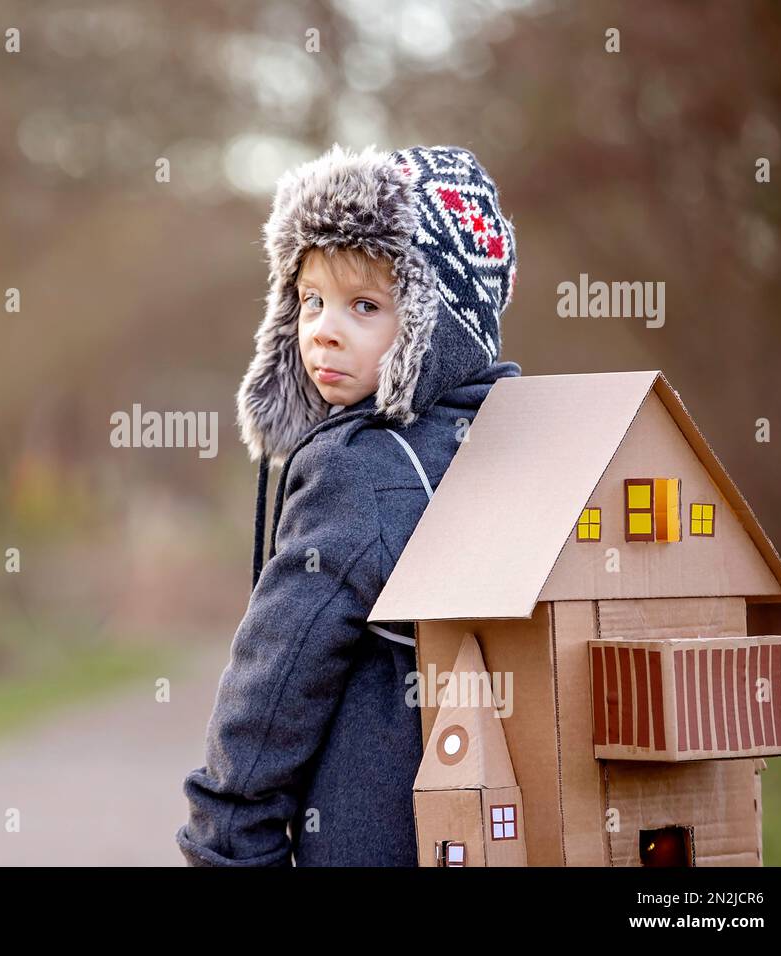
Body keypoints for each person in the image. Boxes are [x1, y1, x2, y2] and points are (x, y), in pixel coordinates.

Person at [176, 143, 521, 866]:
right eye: (309, 300)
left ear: (440, 328)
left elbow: (273, 686)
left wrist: (227, 838)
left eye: (365, 304)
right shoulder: (513, 438)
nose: (322, 330)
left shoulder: (356, 471)